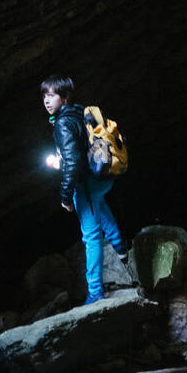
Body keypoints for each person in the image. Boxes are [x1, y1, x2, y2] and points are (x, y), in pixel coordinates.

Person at [41, 74, 128, 306]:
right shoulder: (80, 111)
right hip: (103, 177)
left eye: (52, 95)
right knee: (100, 205)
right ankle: (121, 249)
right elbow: (80, 148)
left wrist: (65, 196)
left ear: (65, 97)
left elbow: (73, 163)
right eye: (44, 95)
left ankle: (96, 293)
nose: (47, 101)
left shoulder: (62, 124)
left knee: (91, 237)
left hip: (86, 184)